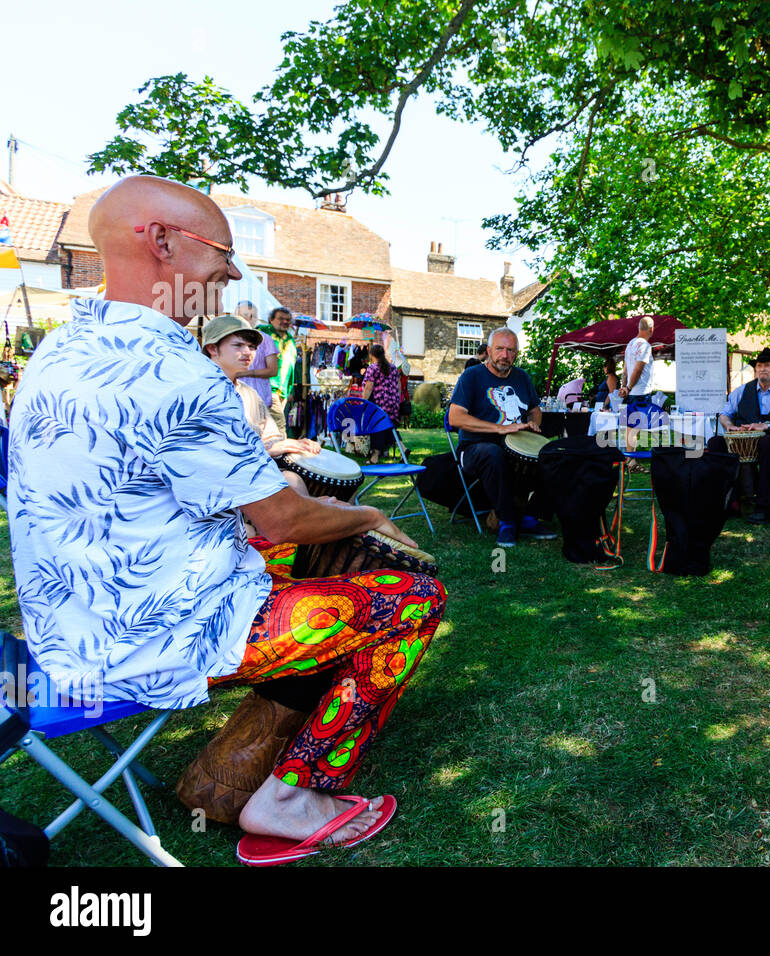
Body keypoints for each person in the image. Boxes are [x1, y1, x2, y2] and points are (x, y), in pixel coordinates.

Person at [7, 175, 445, 864]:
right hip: (147, 641)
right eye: (221, 249)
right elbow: (280, 519)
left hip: (73, 629)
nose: (233, 270)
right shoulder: (175, 373)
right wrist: (359, 513)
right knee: (409, 595)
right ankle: (295, 794)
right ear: (161, 242)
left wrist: (304, 513)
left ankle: (231, 771)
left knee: (308, 562)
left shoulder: (59, 350)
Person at [448, 326, 557, 547]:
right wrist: (499, 428)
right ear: (489, 350)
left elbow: (535, 409)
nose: (504, 355)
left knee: (554, 455)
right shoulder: (472, 376)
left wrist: (533, 425)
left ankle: (529, 517)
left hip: (514, 444)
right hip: (475, 447)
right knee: (494, 453)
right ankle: (506, 521)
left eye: (510, 350)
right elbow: (455, 418)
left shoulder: (522, 377)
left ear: (516, 353)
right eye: (499, 349)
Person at [201, 313, 321, 493]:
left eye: (251, 346)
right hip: (218, 490)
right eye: (238, 345)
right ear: (212, 348)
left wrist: (295, 443)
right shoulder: (200, 392)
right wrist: (267, 450)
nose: (248, 352)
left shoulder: (249, 394)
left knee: (295, 481)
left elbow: (271, 437)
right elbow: (209, 456)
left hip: (253, 478)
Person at [708, 346, 770, 525]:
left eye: (767, 365)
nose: (762, 369)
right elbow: (724, 413)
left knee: (768, 443)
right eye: (759, 365)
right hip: (743, 443)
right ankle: (730, 502)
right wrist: (729, 426)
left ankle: (762, 507)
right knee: (715, 443)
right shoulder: (743, 390)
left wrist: (766, 425)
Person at [361, 343, 404, 464]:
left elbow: (369, 387)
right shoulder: (393, 368)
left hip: (379, 403)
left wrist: (363, 402)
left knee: (377, 428)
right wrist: (396, 401)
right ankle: (403, 448)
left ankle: (374, 457)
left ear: (372, 355)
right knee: (389, 428)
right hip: (393, 403)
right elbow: (398, 385)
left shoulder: (373, 368)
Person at [258, 306, 297, 435]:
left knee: (266, 426)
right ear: (271, 320)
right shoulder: (262, 332)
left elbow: (291, 367)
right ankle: (282, 452)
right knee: (279, 426)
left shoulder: (290, 340)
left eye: (287, 319)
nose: (285, 322)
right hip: (266, 387)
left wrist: (288, 391)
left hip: (282, 391)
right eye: (280, 318)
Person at [619, 316, 654, 406]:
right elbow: (638, 370)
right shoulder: (645, 345)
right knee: (644, 420)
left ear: (639, 328)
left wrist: (624, 387)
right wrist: (628, 388)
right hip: (642, 394)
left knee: (632, 420)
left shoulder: (630, 344)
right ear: (651, 329)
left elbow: (625, 371)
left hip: (631, 395)